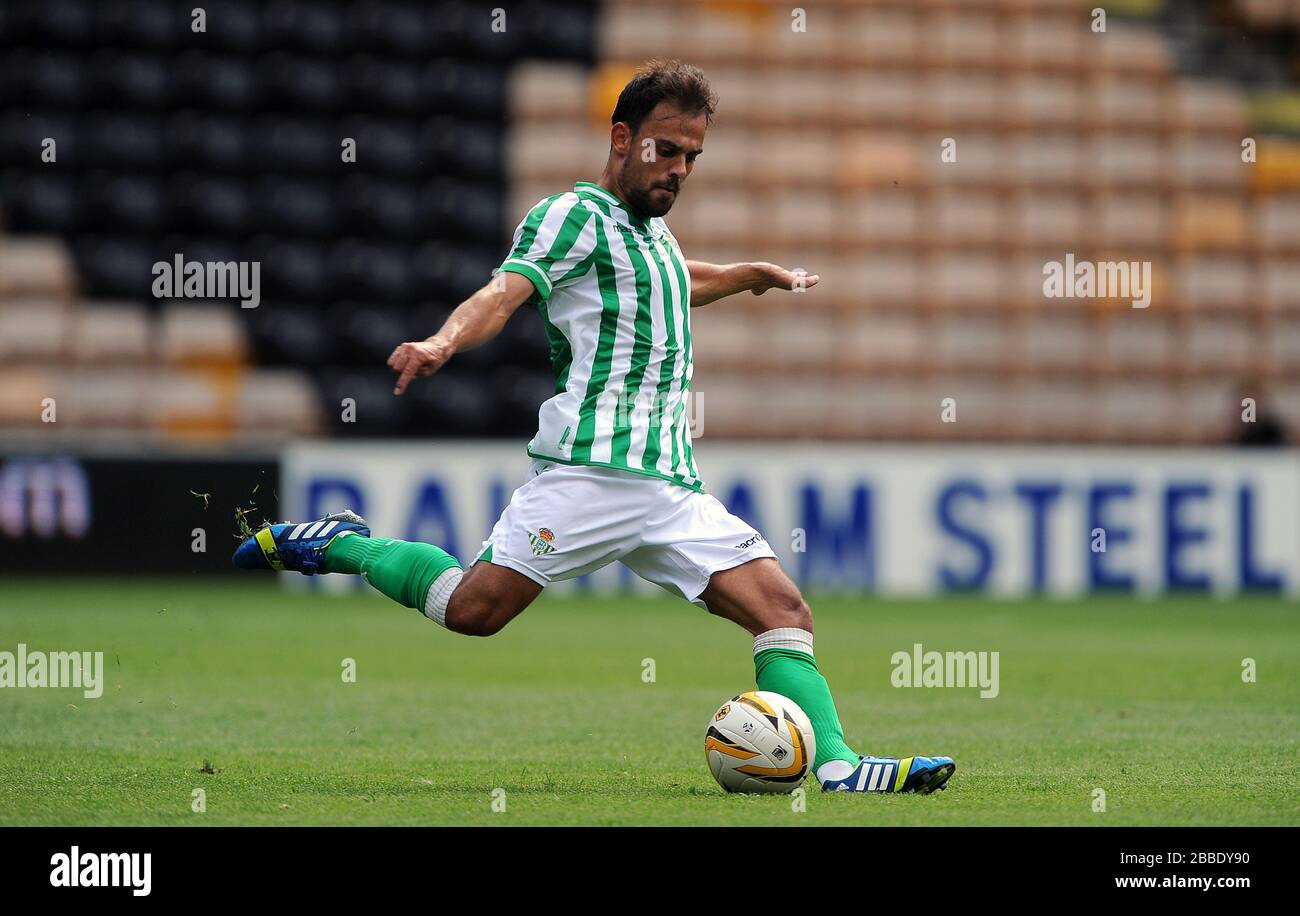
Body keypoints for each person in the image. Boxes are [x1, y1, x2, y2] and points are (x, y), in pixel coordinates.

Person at [234, 59, 954, 794]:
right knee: (473, 610)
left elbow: (672, 277)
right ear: (622, 137)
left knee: (783, 609)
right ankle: (343, 545)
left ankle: (836, 766)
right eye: (665, 150)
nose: (678, 169)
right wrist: (444, 341)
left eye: (691, 158)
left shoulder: (653, 238)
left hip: (670, 486)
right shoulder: (570, 218)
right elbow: (503, 292)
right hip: (588, 474)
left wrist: (745, 275)